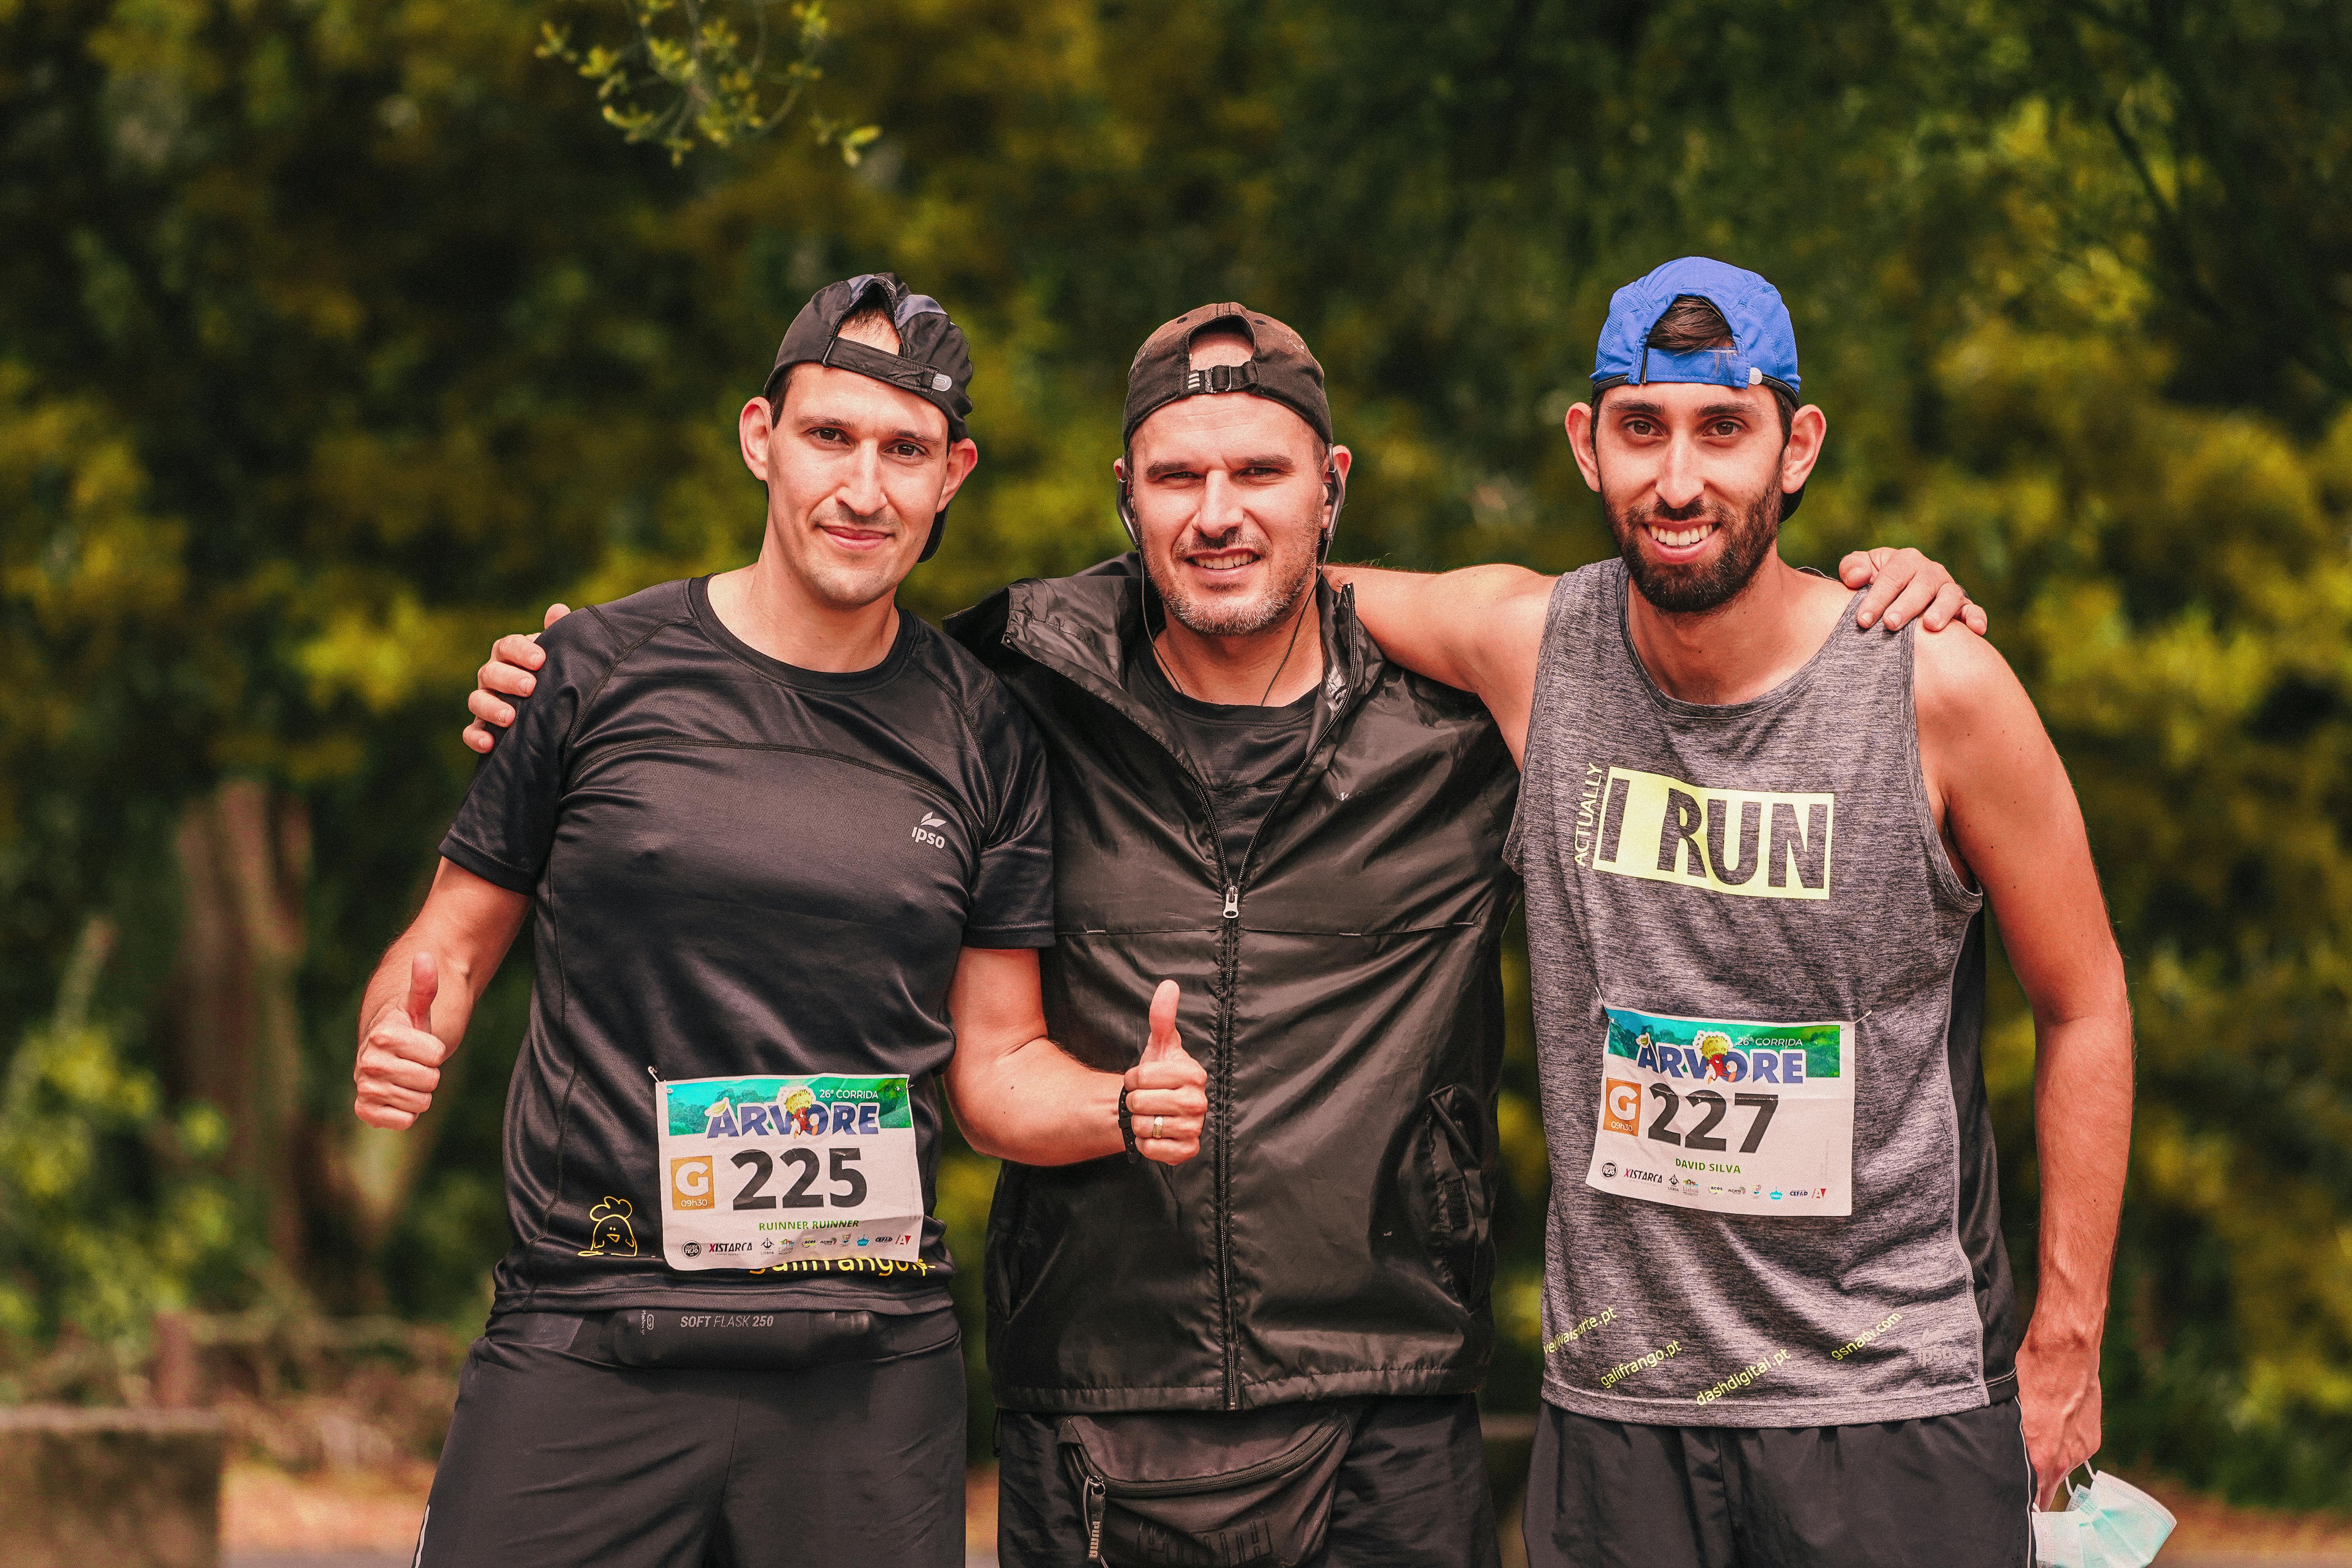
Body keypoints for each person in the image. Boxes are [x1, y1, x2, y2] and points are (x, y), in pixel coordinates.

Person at [461, 298, 1982, 1566]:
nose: (1218, 512)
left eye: (1259, 471)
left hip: (1394, 1392)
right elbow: (807, 667)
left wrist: (1877, 596)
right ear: (1123, 495)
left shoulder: (1466, 720)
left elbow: (1706, 662)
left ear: (1331, 487)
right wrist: (591, 684)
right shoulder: (1012, 689)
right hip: (1100, 1395)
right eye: (1178, 476)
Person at [352, 272, 1208, 1568]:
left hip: (864, 1364)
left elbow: (994, 1071)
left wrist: (1122, 1107)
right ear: (761, 437)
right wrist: (399, 1030)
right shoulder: (591, 672)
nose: (863, 489)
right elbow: (446, 948)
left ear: (953, 475)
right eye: (830, 437)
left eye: (905, 451)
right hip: (592, 1326)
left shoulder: (986, 733)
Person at [1329, 256, 2134, 1566]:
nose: (1678, 478)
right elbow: (1278, 586)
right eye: (1642, 427)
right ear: (1587, 445)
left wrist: (2068, 1339)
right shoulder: (1535, 648)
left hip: (1893, 1405)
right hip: (1621, 1413)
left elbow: (2087, 1005)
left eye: (1723, 428)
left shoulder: (1935, 689)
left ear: (1796, 447)